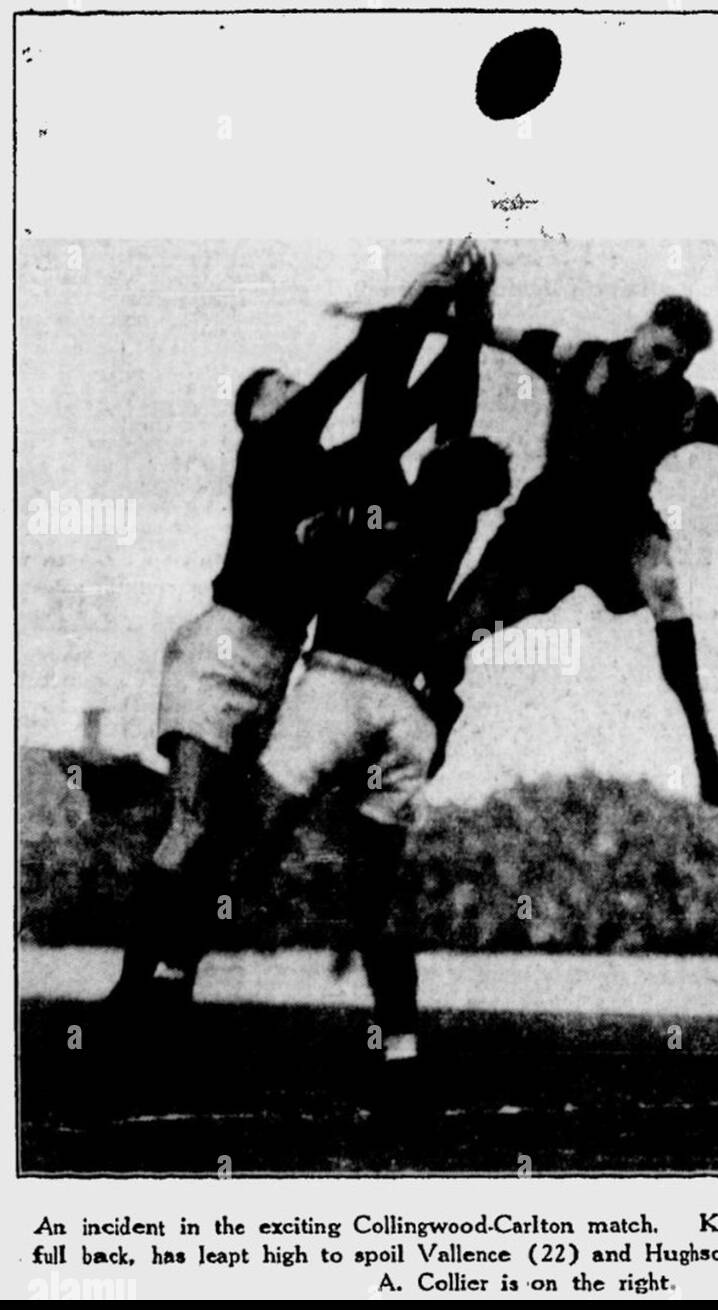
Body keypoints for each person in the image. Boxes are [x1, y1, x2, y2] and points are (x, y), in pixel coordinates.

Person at [110, 242, 483, 1005]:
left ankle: (174, 977)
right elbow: (355, 368)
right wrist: (419, 298)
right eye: (276, 386)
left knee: (221, 831)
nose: (291, 388)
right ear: (253, 414)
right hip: (222, 649)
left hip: (282, 662)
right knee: (192, 821)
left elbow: (419, 403)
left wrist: (466, 317)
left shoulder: (335, 471)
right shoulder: (266, 448)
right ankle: (133, 985)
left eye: (289, 381)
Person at [420, 279, 718, 803]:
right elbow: (499, 335)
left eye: (677, 363)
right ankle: (441, 704)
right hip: (548, 521)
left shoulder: (686, 403)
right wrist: (413, 316)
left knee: (662, 583)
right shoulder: (578, 358)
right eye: (658, 351)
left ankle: (706, 754)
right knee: (456, 632)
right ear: (640, 330)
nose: (661, 369)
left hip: (622, 523)